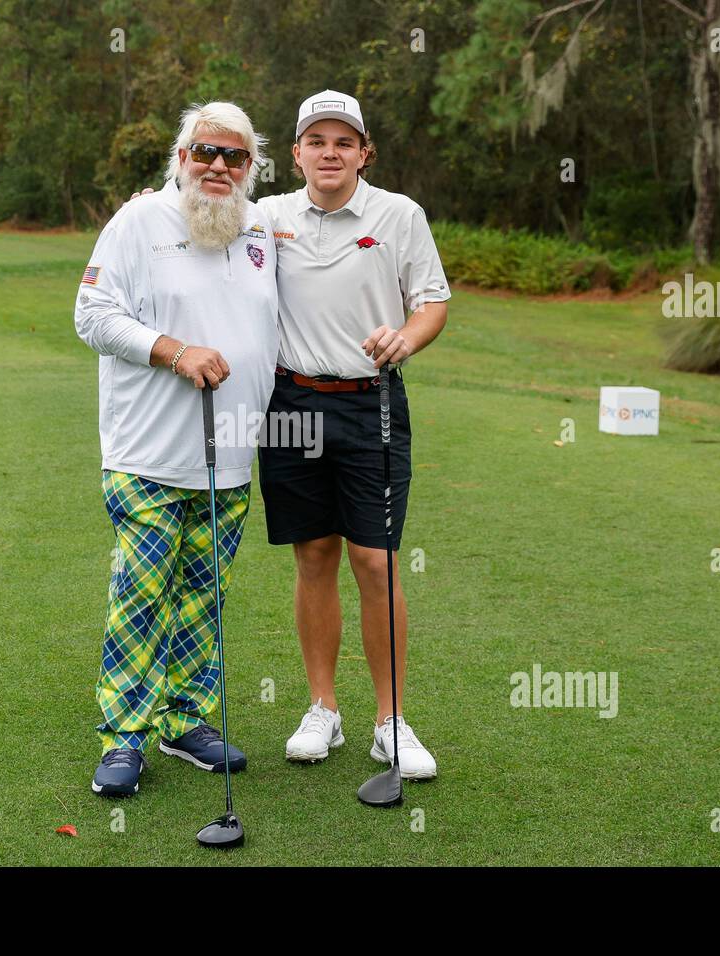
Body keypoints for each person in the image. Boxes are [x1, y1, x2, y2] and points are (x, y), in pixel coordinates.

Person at [73, 101, 278, 797]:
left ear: (251, 168)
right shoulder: (137, 223)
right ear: (180, 156)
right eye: (205, 152)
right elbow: (92, 316)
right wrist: (173, 350)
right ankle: (123, 737)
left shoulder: (261, 229)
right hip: (147, 455)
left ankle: (186, 720)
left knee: (204, 598)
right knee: (141, 597)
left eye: (235, 157)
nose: (218, 167)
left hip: (230, 457)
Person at [255, 90, 450, 779]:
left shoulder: (400, 215)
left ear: (364, 153)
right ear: (297, 152)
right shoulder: (267, 216)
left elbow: (432, 302)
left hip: (372, 402)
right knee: (314, 554)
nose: (330, 153)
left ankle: (389, 722)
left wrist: (408, 336)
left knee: (377, 560)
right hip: (292, 399)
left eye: (344, 142)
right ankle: (322, 709)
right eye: (317, 141)